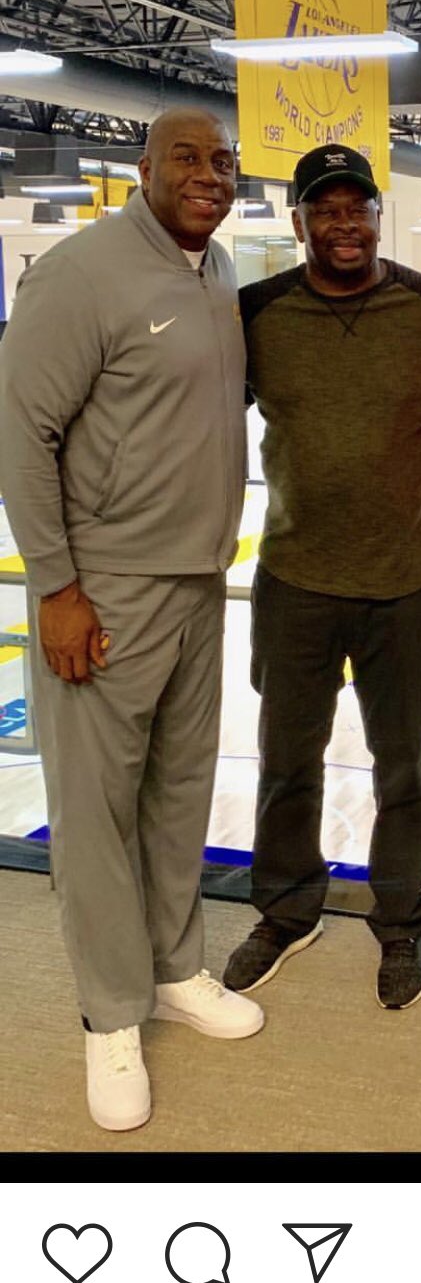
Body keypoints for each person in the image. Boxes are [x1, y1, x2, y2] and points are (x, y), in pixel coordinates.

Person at [0, 107, 262, 1134]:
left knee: (176, 791)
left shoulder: (219, 272)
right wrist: (57, 584)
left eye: (223, 161)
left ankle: (172, 968)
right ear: (142, 169)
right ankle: (108, 1014)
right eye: (188, 157)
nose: (209, 173)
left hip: (198, 579)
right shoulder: (82, 273)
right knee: (98, 809)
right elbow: (22, 435)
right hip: (102, 588)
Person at [223, 144, 421, 1013]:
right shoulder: (255, 313)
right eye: (323, 209)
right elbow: (196, 420)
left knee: (402, 764)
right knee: (287, 763)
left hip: (406, 582)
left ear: (376, 215)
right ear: (298, 221)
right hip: (295, 578)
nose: (342, 224)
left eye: (356, 207)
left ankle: (400, 918)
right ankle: (286, 912)